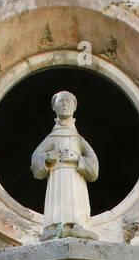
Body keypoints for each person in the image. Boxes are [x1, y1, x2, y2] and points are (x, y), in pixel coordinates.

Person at [30, 90, 99, 240]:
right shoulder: (52, 136)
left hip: (75, 177)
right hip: (57, 176)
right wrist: (47, 158)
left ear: (74, 107)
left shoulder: (77, 138)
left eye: (68, 101)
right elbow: (35, 159)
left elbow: (94, 166)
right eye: (61, 101)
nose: (64, 104)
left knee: (76, 202)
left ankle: (78, 225)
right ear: (54, 107)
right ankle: (56, 226)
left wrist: (77, 159)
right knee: (58, 202)